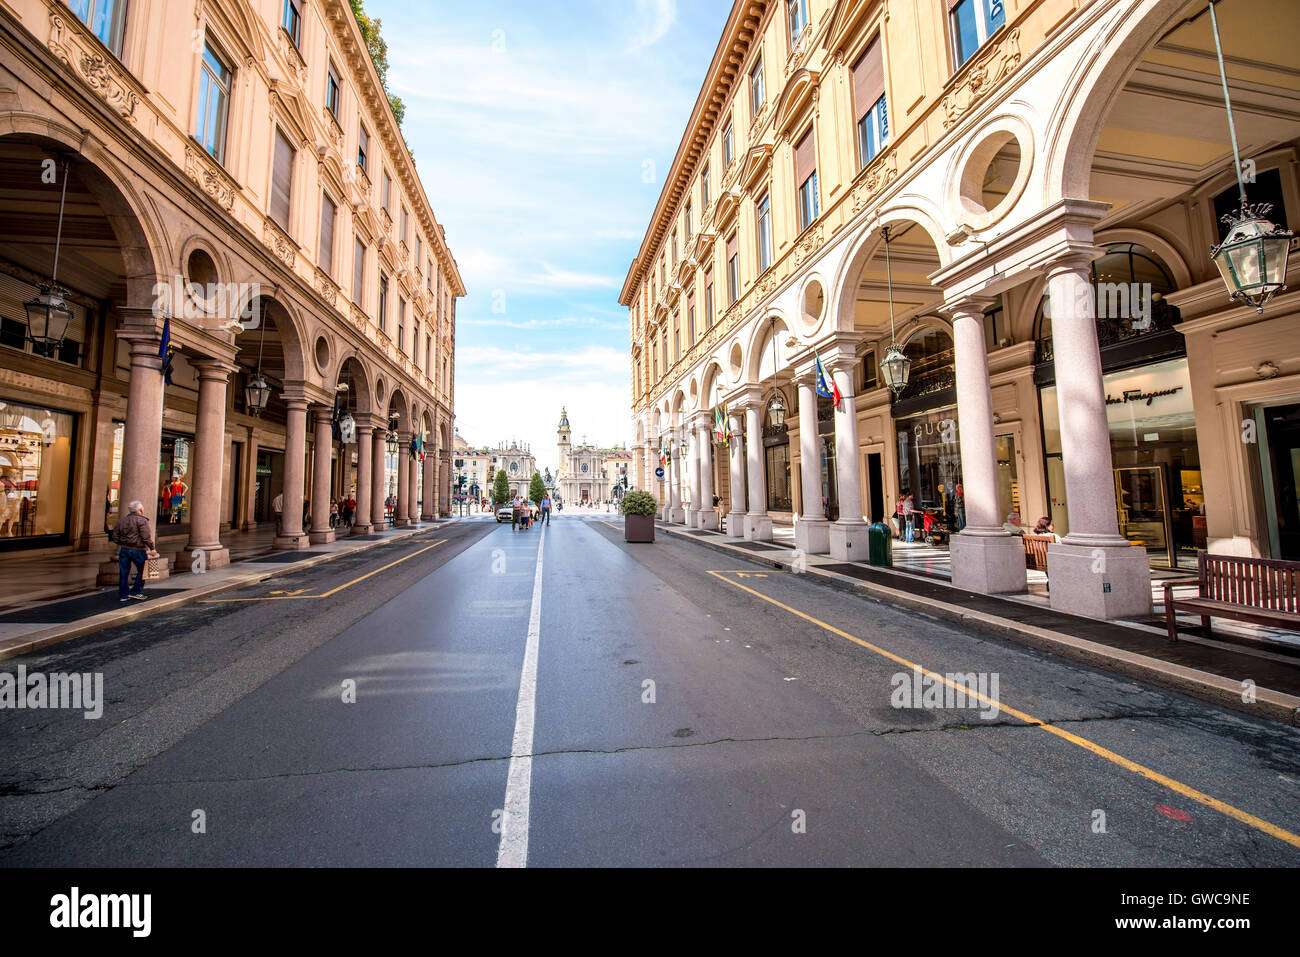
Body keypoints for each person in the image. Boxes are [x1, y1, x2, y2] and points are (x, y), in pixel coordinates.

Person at [113, 500, 156, 602]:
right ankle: (136, 591)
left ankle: (124, 595)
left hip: (124, 550)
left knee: (123, 572)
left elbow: (114, 536)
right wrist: (152, 548)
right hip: (138, 550)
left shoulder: (122, 520)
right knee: (143, 570)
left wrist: (122, 543)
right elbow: (146, 537)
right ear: (141, 510)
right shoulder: (142, 521)